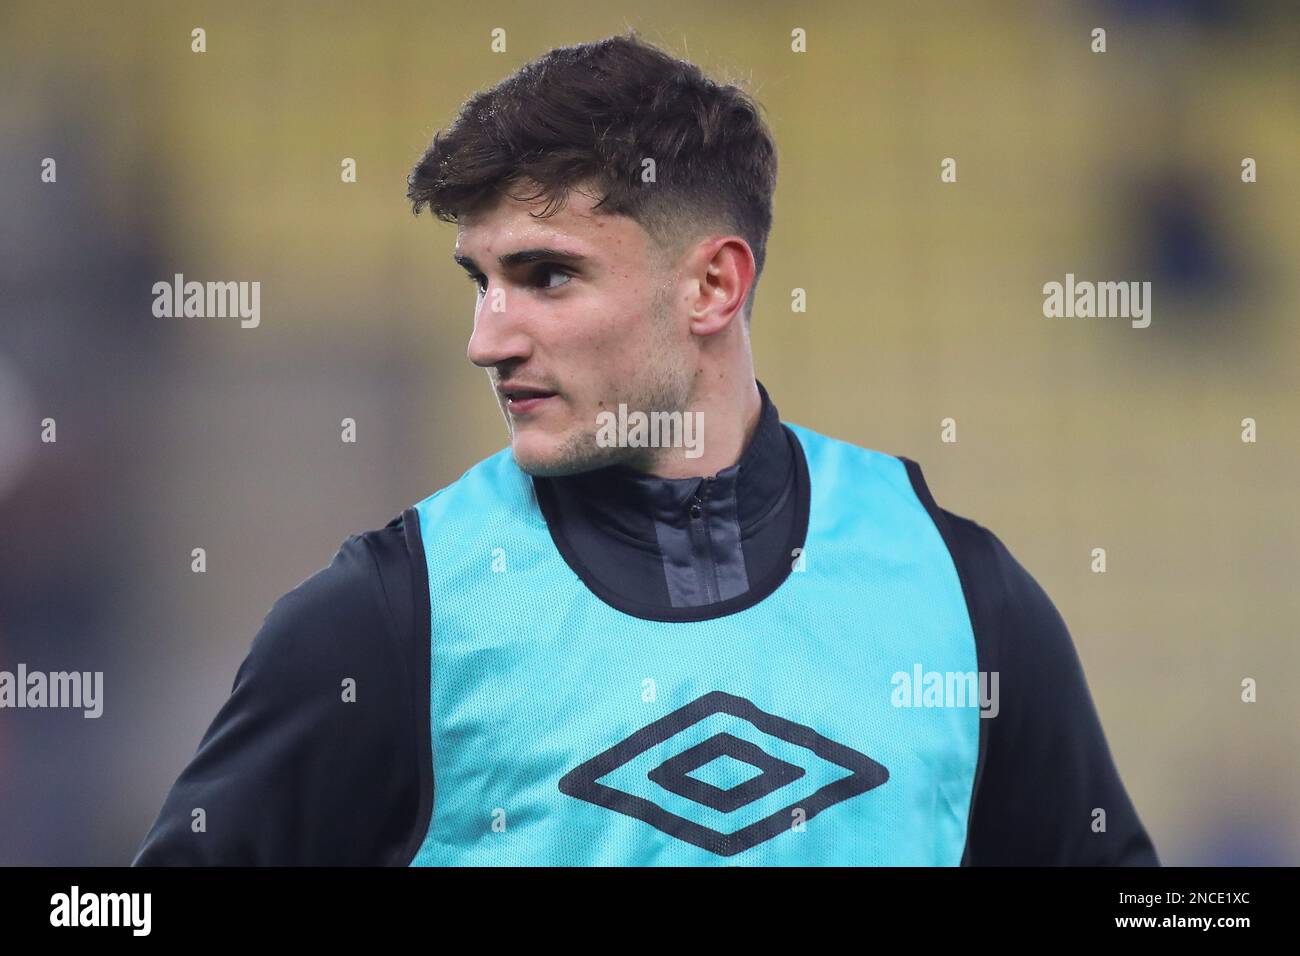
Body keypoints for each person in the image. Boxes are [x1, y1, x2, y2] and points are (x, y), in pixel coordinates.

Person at [133, 32, 1158, 866]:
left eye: (545, 275)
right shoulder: (385, 616)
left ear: (712, 285)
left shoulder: (957, 590)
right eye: (478, 280)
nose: (486, 338)